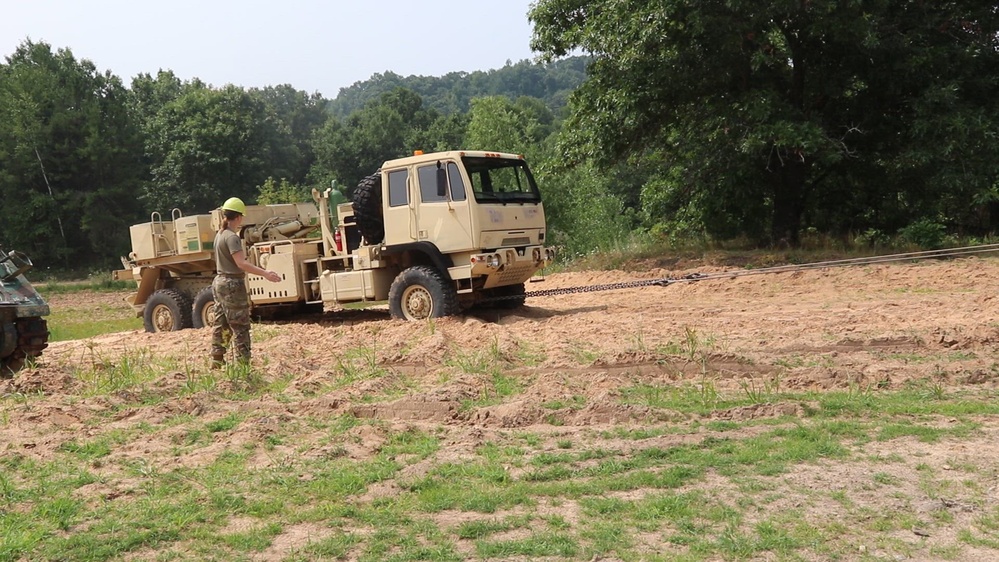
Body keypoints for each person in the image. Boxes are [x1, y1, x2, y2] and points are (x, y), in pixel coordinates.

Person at [210, 197, 281, 368]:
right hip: (232, 284)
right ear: (239, 217)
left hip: (219, 282)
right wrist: (265, 273)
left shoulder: (219, 235)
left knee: (222, 323)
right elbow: (241, 263)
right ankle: (243, 365)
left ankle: (217, 359)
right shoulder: (232, 237)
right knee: (240, 326)